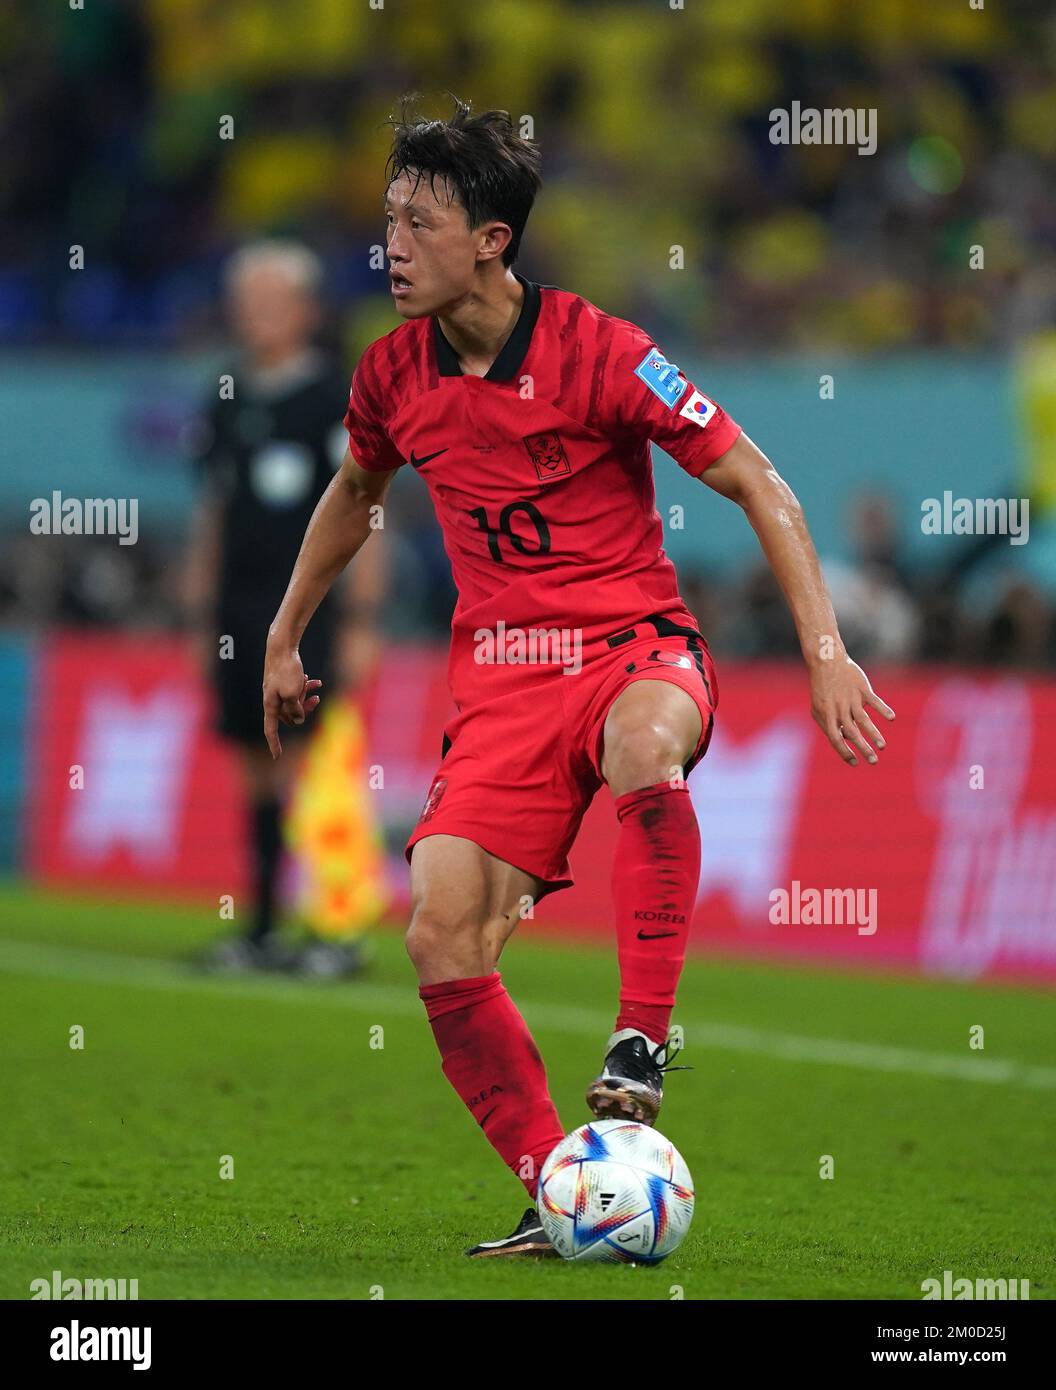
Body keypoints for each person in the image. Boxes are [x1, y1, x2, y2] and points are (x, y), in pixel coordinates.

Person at [261, 100, 896, 1254]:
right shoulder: (391, 375)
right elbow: (356, 496)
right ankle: (559, 1188)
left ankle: (641, 1041)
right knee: (439, 937)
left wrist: (825, 651)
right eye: (389, 219)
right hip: (500, 686)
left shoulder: (601, 351)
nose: (391, 246)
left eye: (422, 223)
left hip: (631, 648)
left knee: (649, 748)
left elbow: (761, 483)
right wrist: (282, 634)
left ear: (493, 240)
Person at [186, 239, 383, 976]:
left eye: (274, 301)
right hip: (239, 612)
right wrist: (200, 616)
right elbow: (213, 512)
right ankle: (263, 927)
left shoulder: (335, 396)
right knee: (254, 766)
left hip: (313, 612)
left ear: (306, 311)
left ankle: (337, 931)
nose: (258, 315)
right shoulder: (227, 395)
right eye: (248, 301)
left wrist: (362, 617)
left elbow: (368, 509)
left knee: (316, 765)